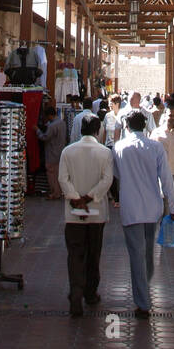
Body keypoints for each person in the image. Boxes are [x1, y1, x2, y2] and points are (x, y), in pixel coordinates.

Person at [113, 110, 174, 318]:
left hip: (131, 207)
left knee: (136, 255)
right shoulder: (155, 147)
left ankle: (143, 302)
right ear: (144, 125)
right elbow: (166, 179)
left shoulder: (119, 147)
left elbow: (116, 175)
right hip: (153, 207)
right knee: (148, 253)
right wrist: (173, 206)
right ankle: (145, 291)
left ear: (127, 126)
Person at [57, 114, 113, 317]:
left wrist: (75, 199)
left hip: (73, 214)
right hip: (96, 213)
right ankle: (90, 292)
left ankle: (76, 291)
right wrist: (89, 198)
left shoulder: (67, 152)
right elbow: (107, 181)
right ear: (98, 131)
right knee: (93, 252)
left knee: (75, 253)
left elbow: (63, 179)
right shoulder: (105, 153)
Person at [37, 104, 66, 199]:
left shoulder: (52, 126)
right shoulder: (62, 123)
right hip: (60, 152)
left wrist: (37, 130)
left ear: (49, 115)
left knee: (51, 174)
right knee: (58, 174)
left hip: (52, 153)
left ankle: (55, 193)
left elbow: (45, 137)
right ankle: (58, 192)